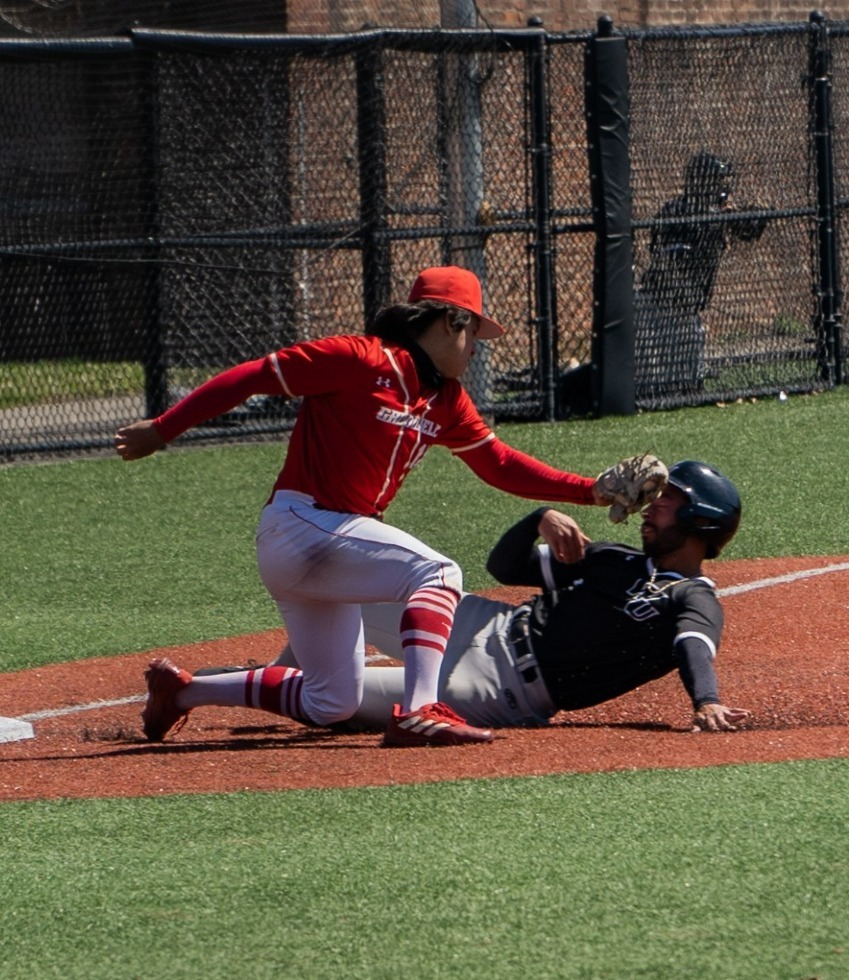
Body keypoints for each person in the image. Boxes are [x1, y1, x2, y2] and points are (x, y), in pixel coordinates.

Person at [114, 266, 635, 748]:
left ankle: (183, 692)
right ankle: (421, 710)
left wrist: (590, 490)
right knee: (438, 573)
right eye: (474, 331)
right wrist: (162, 429)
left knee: (331, 701)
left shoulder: (446, 399)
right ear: (449, 321)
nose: (477, 347)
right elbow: (252, 376)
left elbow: (499, 464)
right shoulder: (359, 357)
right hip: (301, 524)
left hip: (326, 550)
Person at [231, 460, 748, 734]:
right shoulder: (615, 558)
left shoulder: (694, 598)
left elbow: (693, 649)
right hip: (483, 621)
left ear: (700, 521)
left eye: (670, 501)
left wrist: (706, 701)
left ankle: (224, 685)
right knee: (345, 587)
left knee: (333, 700)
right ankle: (282, 669)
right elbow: (505, 567)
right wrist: (538, 519)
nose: (653, 507)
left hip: (495, 690)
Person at [557, 151, 768, 416]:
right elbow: (671, 261)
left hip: (686, 317)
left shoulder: (715, 216)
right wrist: (715, 225)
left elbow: (750, 229)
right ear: (702, 183)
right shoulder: (675, 212)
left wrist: (747, 215)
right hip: (655, 311)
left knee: (687, 390)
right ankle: (562, 391)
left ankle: (568, 389)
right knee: (644, 388)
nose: (723, 189)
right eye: (717, 182)